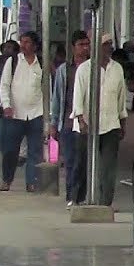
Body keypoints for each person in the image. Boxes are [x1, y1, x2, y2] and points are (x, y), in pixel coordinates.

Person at [70, 32, 128, 207]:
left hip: (110, 124)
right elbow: (78, 97)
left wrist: (122, 122)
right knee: (82, 164)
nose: (109, 47)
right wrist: (81, 120)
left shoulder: (117, 69)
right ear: (96, 47)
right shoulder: (84, 69)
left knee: (108, 167)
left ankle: (105, 202)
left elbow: (121, 98)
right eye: (105, 44)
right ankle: (77, 198)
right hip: (87, 125)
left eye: (110, 43)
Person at [0, 31, 46, 192]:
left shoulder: (42, 64)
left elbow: (47, 89)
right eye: (22, 42)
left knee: (35, 151)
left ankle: (31, 182)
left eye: (27, 42)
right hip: (15, 114)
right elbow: (4, 85)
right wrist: (6, 105)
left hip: (36, 113)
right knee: (10, 150)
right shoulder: (13, 62)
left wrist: (48, 114)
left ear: (35, 46)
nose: (23, 45)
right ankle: (7, 179)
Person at [49, 30, 90, 207]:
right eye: (81, 45)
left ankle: (82, 195)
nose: (85, 48)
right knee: (71, 161)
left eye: (87, 44)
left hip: (87, 122)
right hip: (67, 122)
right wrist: (53, 123)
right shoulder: (64, 70)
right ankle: (72, 196)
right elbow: (57, 98)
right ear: (73, 47)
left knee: (85, 162)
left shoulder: (92, 69)